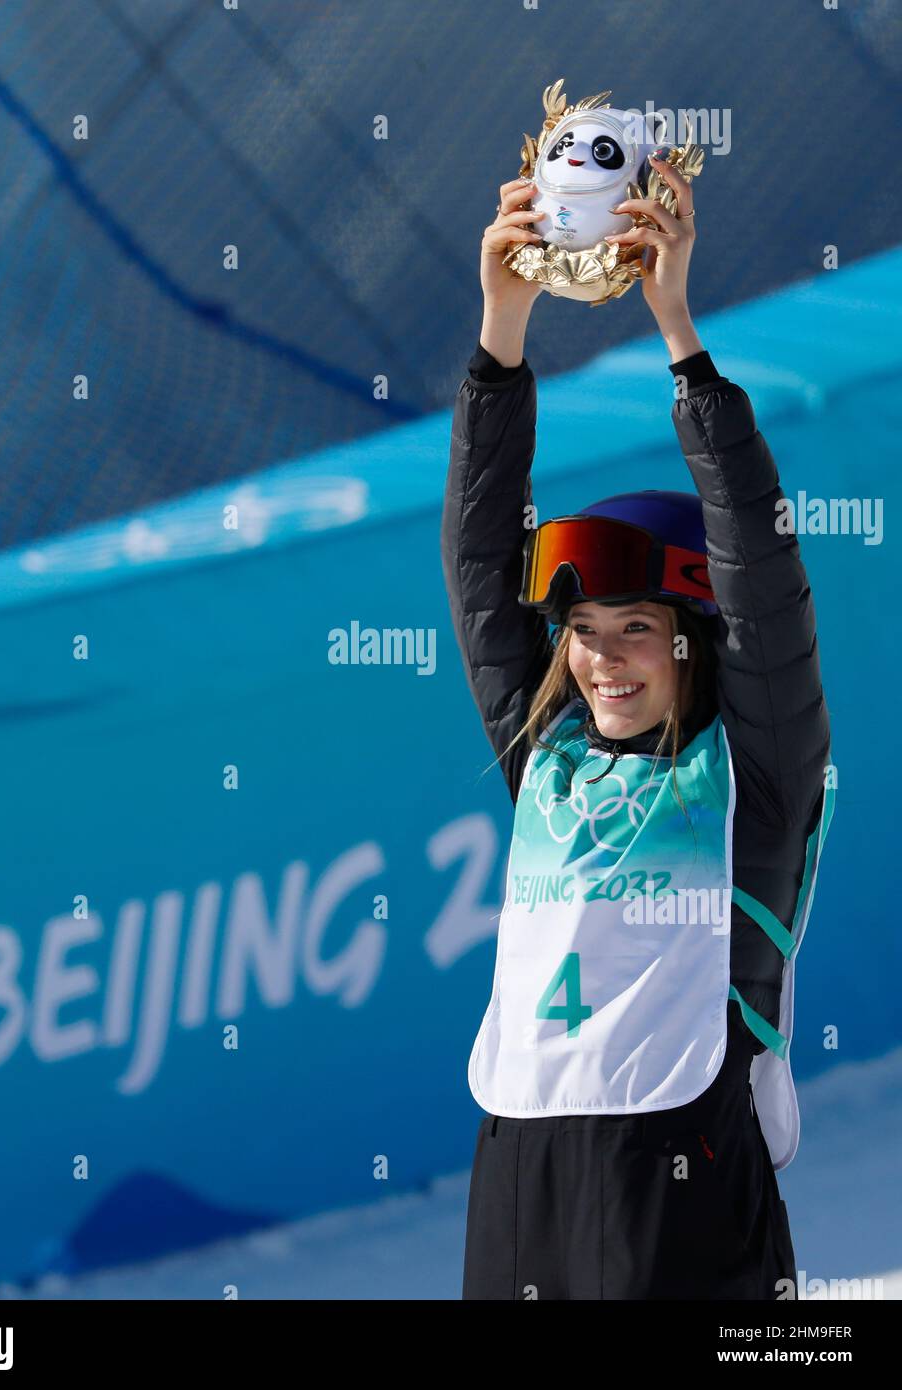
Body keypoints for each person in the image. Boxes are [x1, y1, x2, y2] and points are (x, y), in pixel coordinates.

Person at [440, 156, 835, 1300]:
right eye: (583, 629)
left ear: (693, 643)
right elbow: (477, 562)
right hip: (517, 1175)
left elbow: (762, 576)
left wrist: (678, 334)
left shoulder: (752, 775)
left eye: (635, 628)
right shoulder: (544, 759)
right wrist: (499, 331)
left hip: (681, 1172)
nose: (601, 657)